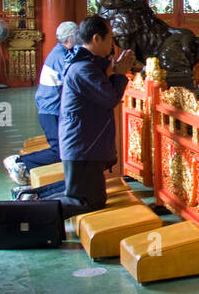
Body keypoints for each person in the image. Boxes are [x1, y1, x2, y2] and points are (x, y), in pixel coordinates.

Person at [24, 15, 133, 217]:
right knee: (86, 200)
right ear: (96, 38)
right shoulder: (83, 68)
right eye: (109, 38)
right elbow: (109, 98)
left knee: (86, 196)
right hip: (82, 146)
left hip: (84, 145)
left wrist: (113, 70)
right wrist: (120, 74)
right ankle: (28, 211)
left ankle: (30, 200)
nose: (112, 44)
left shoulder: (86, 64)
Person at [3, 21, 78, 184]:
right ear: (71, 38)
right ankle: (19, 163)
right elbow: (74, 80)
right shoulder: (61, 56)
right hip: (51, 111)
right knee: (61, 150)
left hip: (52, 109)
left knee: (64, 148)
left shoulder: (62, 52)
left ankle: (21, 163)